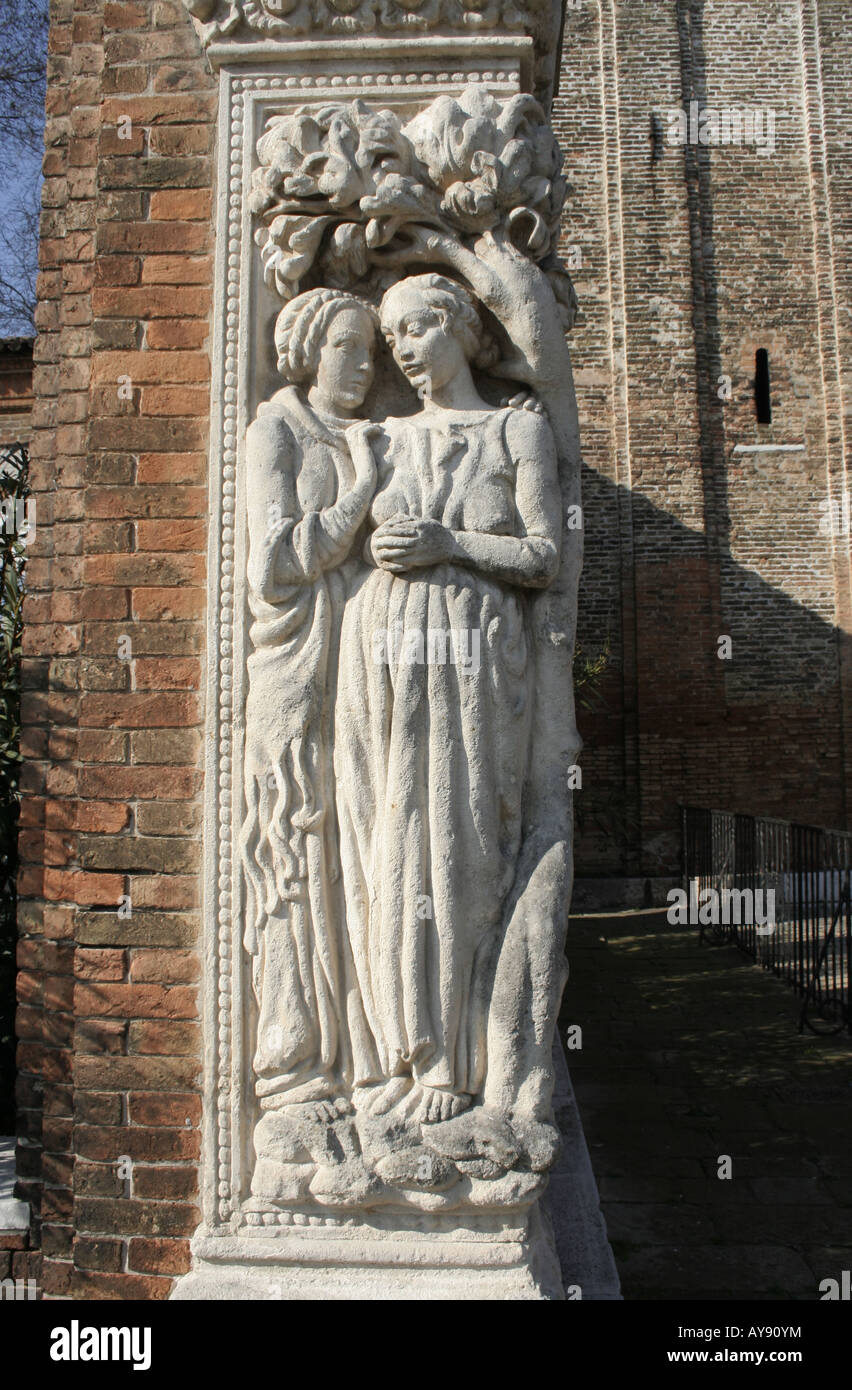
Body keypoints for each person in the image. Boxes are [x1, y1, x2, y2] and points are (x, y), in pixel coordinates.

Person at [334, 273, 563, 1126]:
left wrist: (447, 544)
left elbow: (543, 556)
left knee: (459, 843)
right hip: (381, 661)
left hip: (471, 661)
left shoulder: (516, 430)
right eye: (390, 335)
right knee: (386, 847)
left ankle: (457, 1063)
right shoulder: (383, 438)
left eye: (415, 328)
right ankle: (400, 1048)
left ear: (460, 330)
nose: (399, 348)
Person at [240, 286, 380, 1113]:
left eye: (370, 352)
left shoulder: (365, 432)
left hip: (366, 673)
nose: (362, 367)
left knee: (360, 854)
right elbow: (275, 561)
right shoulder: (276, 429)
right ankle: (293, 1059)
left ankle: (363, 1050)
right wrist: (362, 490)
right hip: (297, 676)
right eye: (347, 348)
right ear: (305, 349)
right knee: (293, 855)